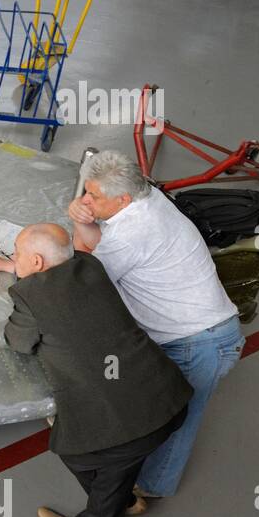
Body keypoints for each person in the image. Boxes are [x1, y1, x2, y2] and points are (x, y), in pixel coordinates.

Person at [0, 224, 191, 517]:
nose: (12, 258)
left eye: (16, 253)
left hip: (135, 422)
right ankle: (128, 500)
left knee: (79, 452)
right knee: (118, 456)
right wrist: (10, 267)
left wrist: (21, 283)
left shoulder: (28, 297)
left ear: (35, 262)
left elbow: (19, 342)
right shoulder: (91, 266)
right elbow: (53, 282)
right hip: (169, 395)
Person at [68, 150, 243, 498]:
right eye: (85, 191)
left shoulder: (134, 231)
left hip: (199, 342)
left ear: (123, 199)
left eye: (93, 196)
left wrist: (18, 266)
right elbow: (92, 240)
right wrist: (83, 216)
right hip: (196, 331)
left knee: (177, 421)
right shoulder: (147, 194)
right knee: (153, 405)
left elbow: (84, 281)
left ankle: (150, 488)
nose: (85, 200)